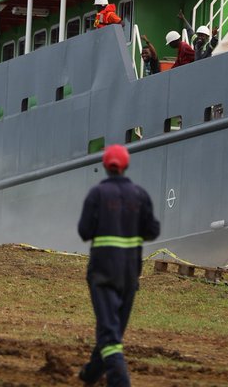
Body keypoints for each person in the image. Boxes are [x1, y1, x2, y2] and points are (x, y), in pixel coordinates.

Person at [77, 144, 159, 387]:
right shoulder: (140, 195)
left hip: (102, 272)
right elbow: (153, 231)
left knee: (109, 331)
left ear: (104, 166)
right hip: (130, 274)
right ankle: (91, 373)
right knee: (114, 329)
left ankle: (119, 381)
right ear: (126, 166)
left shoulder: (96, 195)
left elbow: (84, 232)